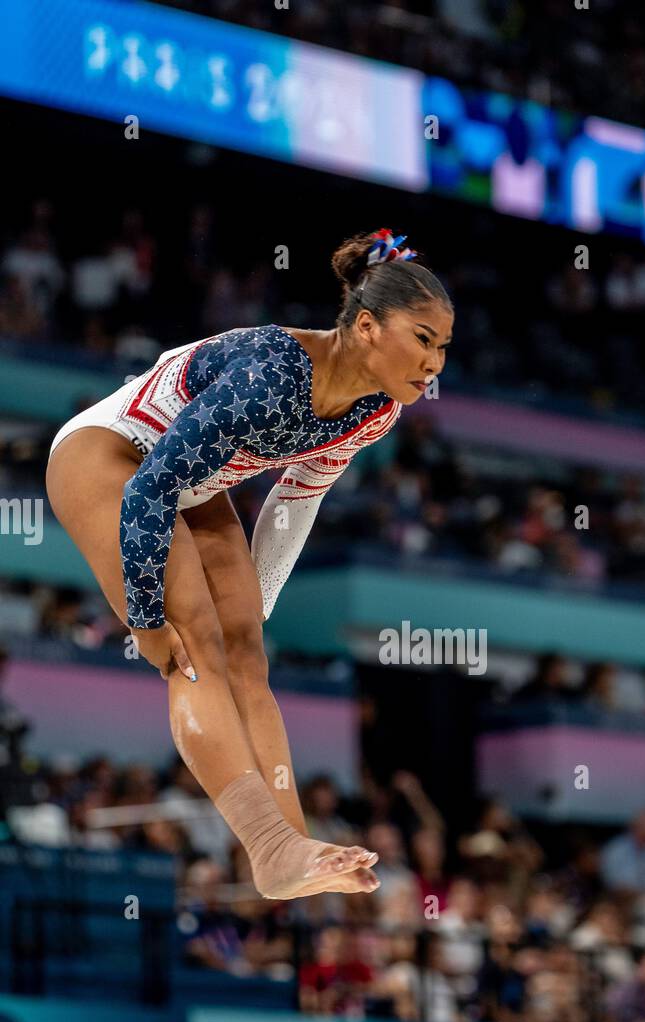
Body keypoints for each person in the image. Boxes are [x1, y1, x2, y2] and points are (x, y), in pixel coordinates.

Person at [46, 229, 453, 902]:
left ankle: (293, 847)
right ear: (367, 325)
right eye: (421, 338)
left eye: (442, 345)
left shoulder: (374, 411)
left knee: (245, 652)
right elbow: (150, 488)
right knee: (193, 641)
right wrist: (147, 617)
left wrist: (254, 609)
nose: (434, 363)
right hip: (109, 455)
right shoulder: (267, 375)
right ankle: (267, 844)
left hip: (197, 482)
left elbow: (297, 499)